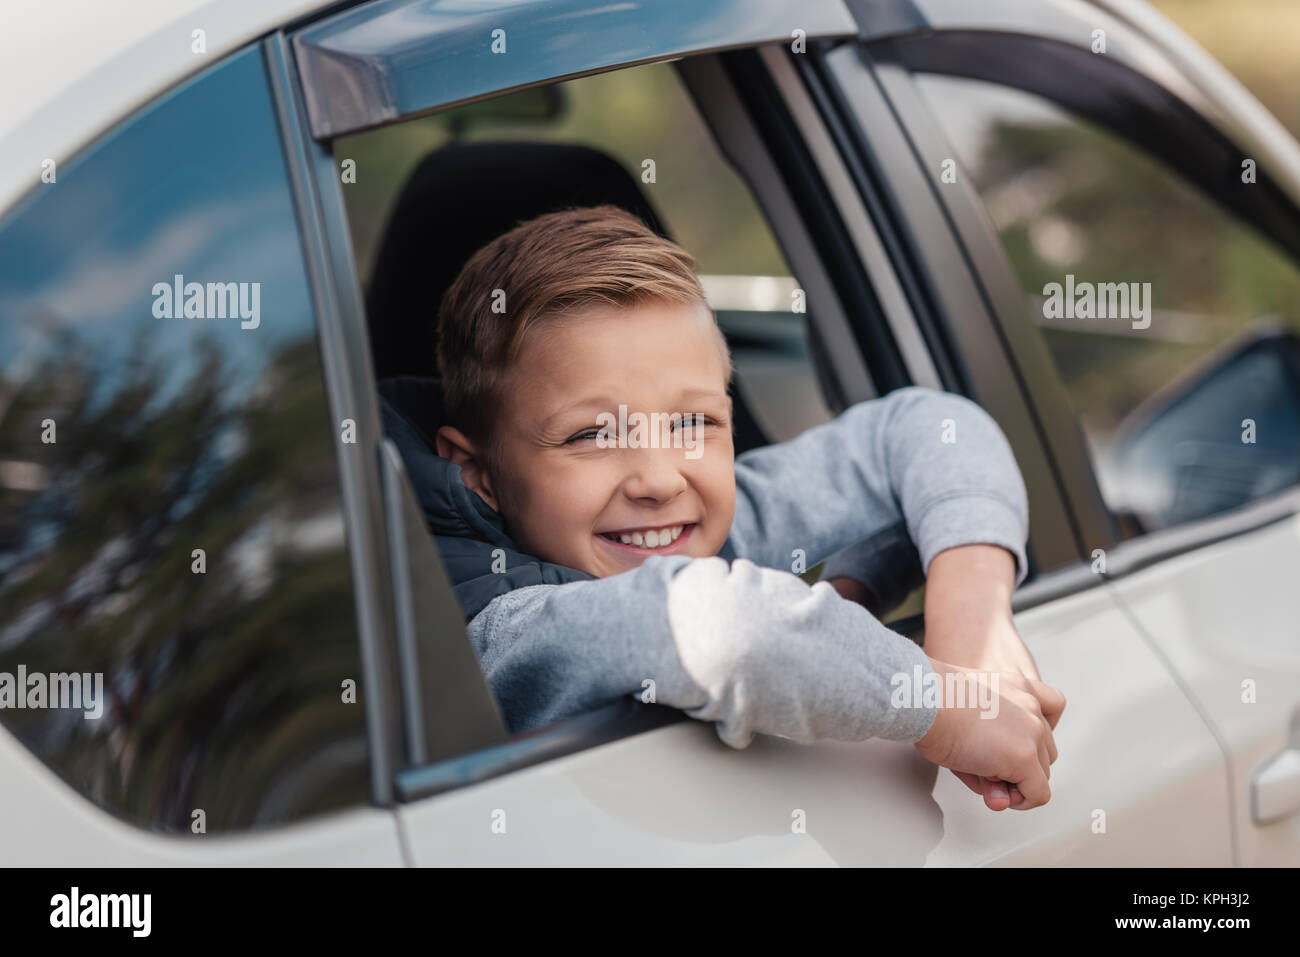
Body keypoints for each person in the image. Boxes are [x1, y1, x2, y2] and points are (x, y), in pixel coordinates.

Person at [387, 204, 1064, 811]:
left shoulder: (699, 523)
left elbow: (926, 426)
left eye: (692, 422)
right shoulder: (502, 631)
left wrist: (971, 621)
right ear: (477, 473)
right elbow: (721, 627)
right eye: (592, 434)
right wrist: (942, 704)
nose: (657, 477)